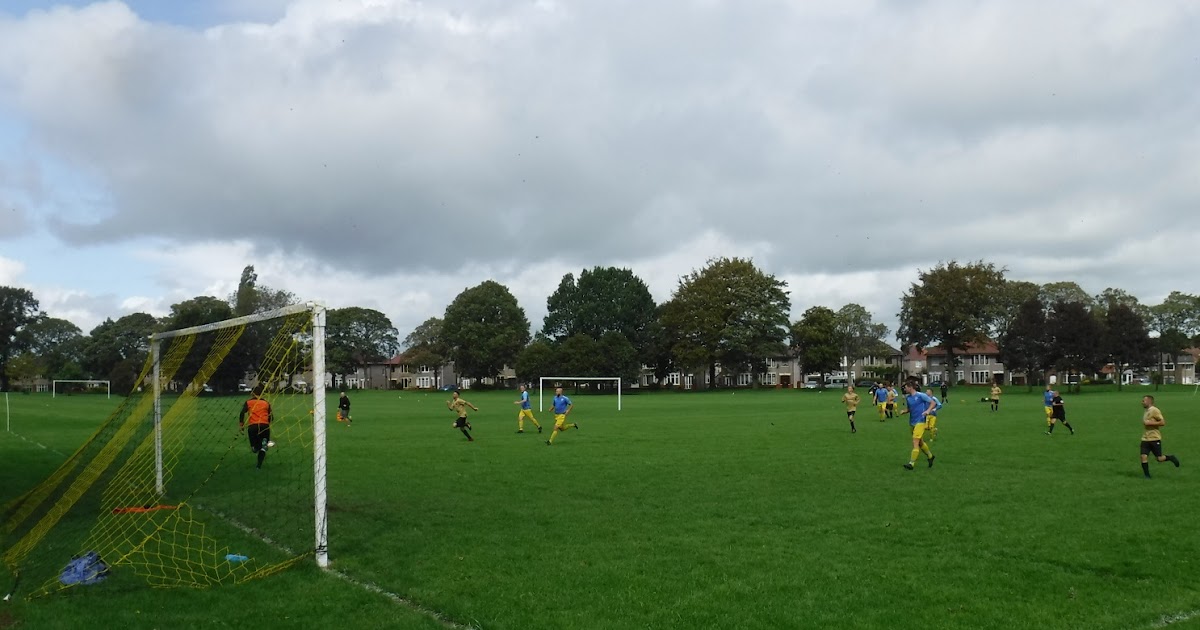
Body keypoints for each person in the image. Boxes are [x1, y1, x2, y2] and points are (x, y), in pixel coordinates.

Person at [1140, 395, 1180, 479]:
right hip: (1145, 438)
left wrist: (1150, 423)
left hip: (1155, 438)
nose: (1142, 402)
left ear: (1149, 401)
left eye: (1143, 401)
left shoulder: (1155, 410)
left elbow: (1162, 422)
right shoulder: (1146, 411)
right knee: (1143, 456)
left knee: (1159, 458)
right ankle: (1147, 476)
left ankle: (1171, 458)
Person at [899, 381, 935, 470]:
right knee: (920, 442)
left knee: (915, 442)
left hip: (921, 421)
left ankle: (911, 464)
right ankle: (930, 456)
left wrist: (928, 411)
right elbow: (909, 409)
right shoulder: (908, 398)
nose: (905, 389)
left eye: (906, 387)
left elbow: (933, 403)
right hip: (912, 422)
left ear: (910, 387)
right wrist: (904, 411)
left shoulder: (920, 395)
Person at [239, 385, 274, 469]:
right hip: (264, 426)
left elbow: (242, 413)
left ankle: (258, 447)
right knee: (264, 447)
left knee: (255, 448)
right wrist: (267, 424)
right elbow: (271, 417)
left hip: (253, 427)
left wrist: (241, 424)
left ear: (252, 393)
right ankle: (258, 465)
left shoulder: (249, 402)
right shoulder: (266, 403)